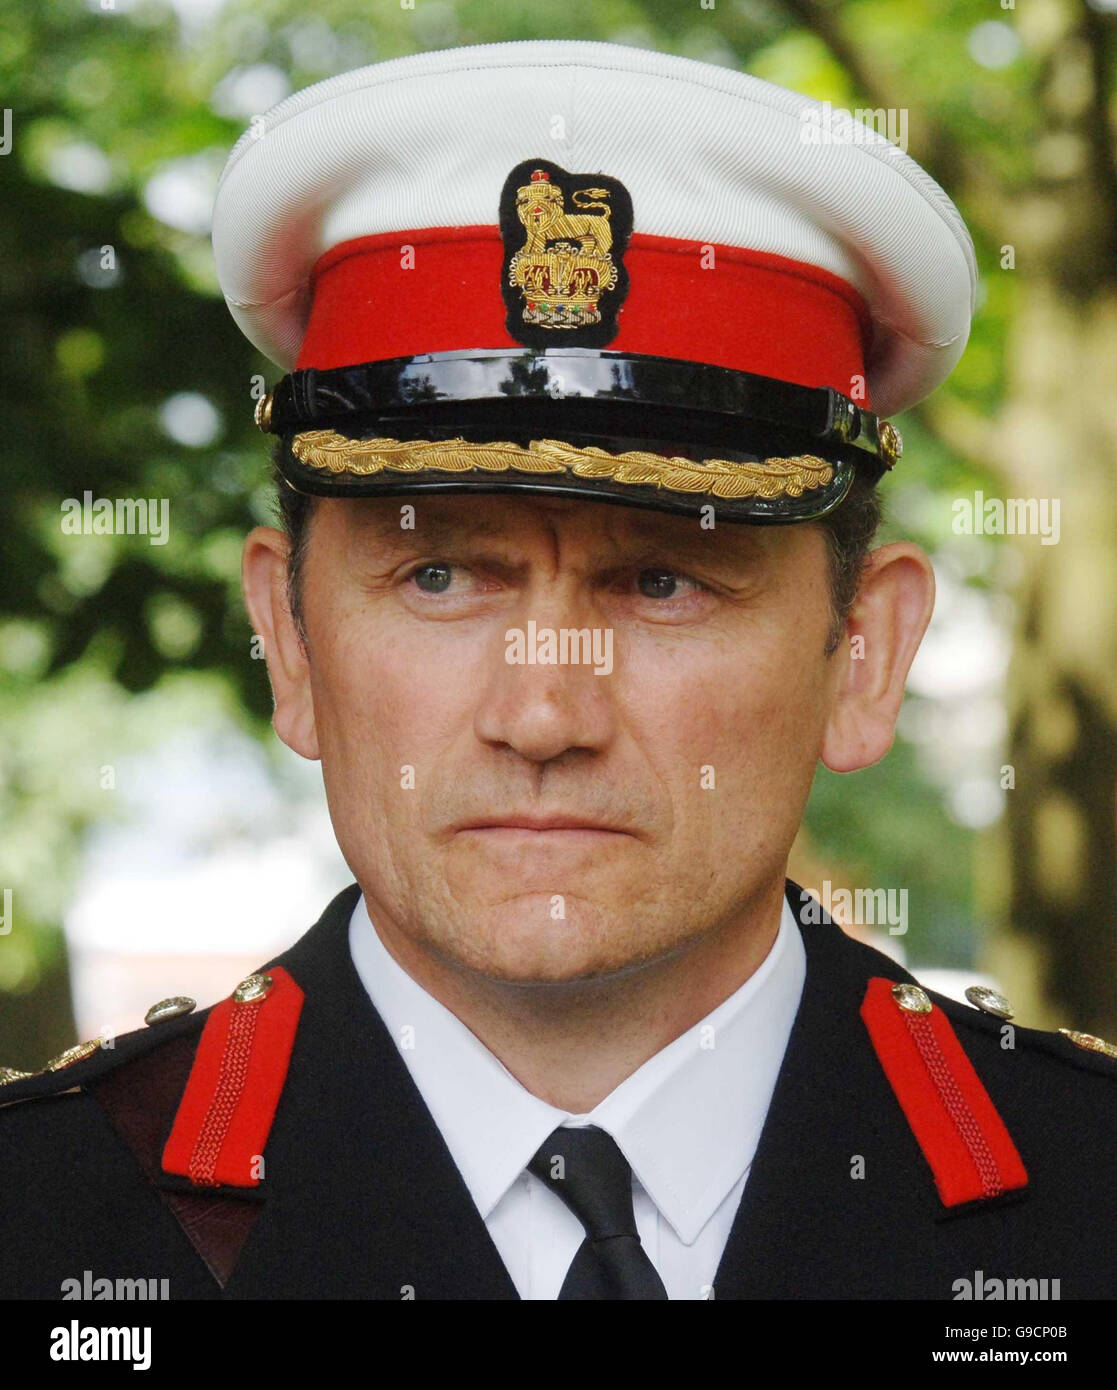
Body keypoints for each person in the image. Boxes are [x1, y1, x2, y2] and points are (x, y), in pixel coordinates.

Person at [3, 39, 1114, 1302]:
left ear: (865, 655)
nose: (542, 714)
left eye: (663, 582)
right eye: (440, 577)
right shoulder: (37, 1222)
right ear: (291, 638)